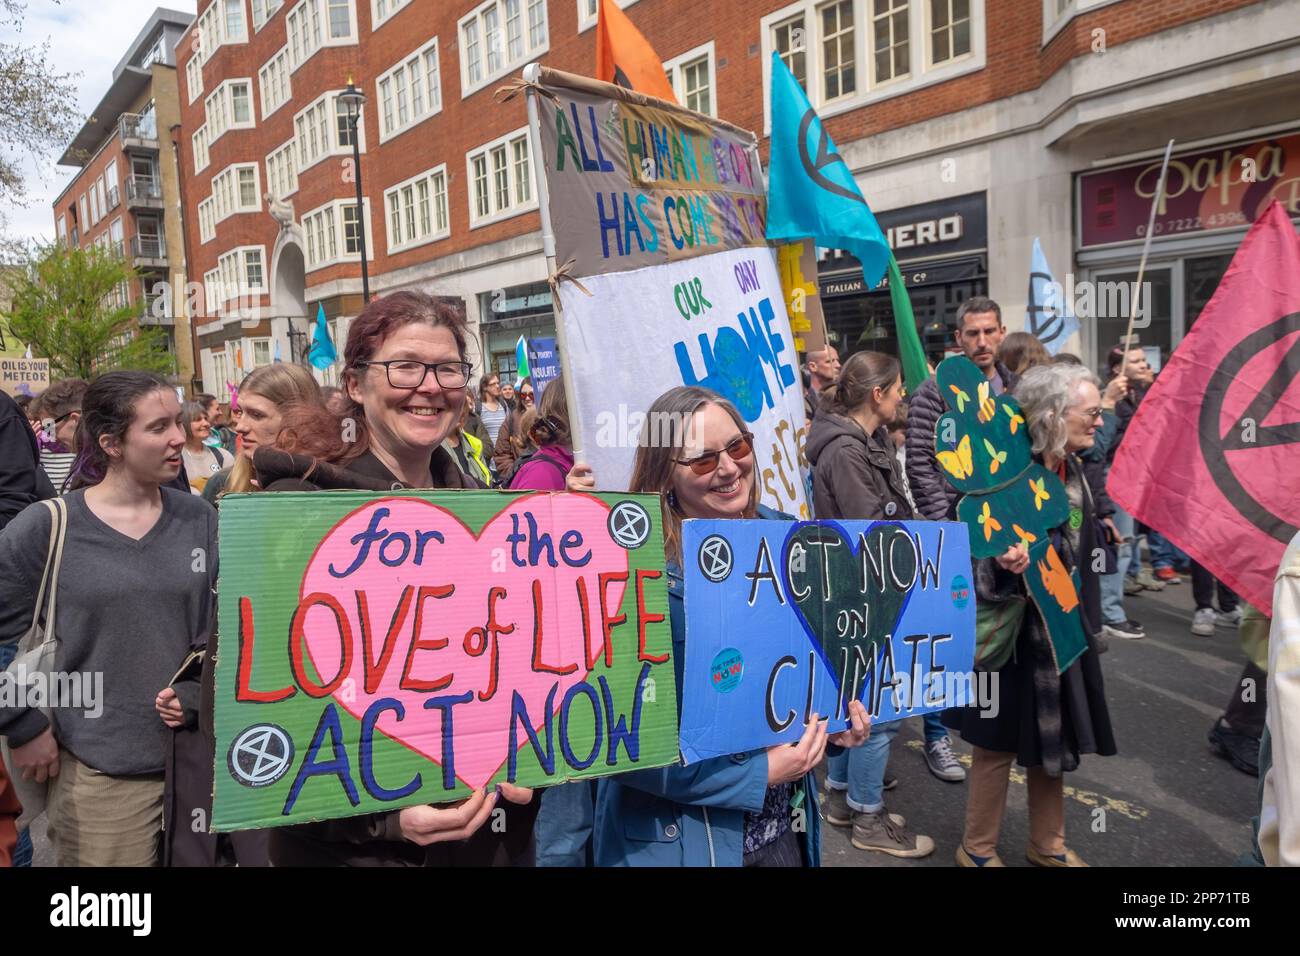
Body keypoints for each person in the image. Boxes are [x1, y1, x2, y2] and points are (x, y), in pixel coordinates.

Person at [245, 290, 537, 866]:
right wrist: (379, 821)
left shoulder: (491, 515)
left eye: (448, 368)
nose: (429, 386)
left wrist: (534, 757)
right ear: (355, 384)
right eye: (404, 366)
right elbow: (253, 716)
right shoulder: (293, 514)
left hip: (485, 843)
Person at [569, 386, 870, 866]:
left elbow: (798, 685)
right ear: (664, 473)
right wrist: (757, 774)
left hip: (784, 834)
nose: (729, 468)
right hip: (679, 845)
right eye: (704, 460)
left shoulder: (788, 538)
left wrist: (829, 729)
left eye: (738, 447)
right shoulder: (632, 573)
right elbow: (620, 745)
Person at [0, 372, 217, 865]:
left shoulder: (200, 518)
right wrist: (21, 723)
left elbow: (220, 631)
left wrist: (193, 691)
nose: (179, 437)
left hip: (198, 764)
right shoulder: (49, 526)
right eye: (158, 427)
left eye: (178, 423)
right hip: (99, 777)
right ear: (111, 443)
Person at [946, 363, 1116, 867]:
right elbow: (972, 564)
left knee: (1054, 740)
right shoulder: (1002, 474)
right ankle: (975, 850)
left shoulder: (1071, 466)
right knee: (994, 745)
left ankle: (1049, 846)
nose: (1100, 422)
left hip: (1059, 632)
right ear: (1054, 416)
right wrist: (1000, 564)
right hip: (1013, 640)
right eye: (1092, 413)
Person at [807, 351, 939, 857]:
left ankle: (841, 799)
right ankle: (868, 817)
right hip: (863, 590)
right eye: (899, 387)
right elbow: (873, 531)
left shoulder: (867, 438)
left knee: (856, 703)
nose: (904, 395)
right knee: (879, 711)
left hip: (865, 590)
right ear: (878, 394)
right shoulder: (845, 450)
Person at [906, 297, 1018, 523]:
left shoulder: (1017, 390)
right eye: (973, 333)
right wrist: (946, 525)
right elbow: (920, 466)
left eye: (989, 331)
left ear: (1002, 333)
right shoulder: (934, 392)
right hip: (961, 520)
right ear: (959, 337)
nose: (982, 342)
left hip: (1011, 520)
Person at [202, 364, 322, 504]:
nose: (240, 426)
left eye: (257, 415)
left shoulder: (335, 487)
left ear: (299, 419)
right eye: (240, 412)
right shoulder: (222, 484)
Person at [33, 378, 87, 493]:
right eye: (46, 429)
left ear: (75, 420)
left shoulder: (100, 464)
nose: (53, 437)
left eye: (53, 428)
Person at [180, 401, 232, 494]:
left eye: (206, 418)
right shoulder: (176, 459)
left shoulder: (223, 456)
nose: (206, 424)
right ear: (184, 424)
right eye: (198, 419)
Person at [492, 378, 536, 483]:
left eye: (531, 394)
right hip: (520, 480)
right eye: (523, 395)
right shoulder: (512, 419)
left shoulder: (549, 417)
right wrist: (514, 474)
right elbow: (501, 454)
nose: (527, 398)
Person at [442, 400, 492, 486]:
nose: (460, 412)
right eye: (453, 408)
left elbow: (487, 478)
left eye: (462, 407)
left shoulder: (474, 443)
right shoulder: (431, 447)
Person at [803, 345, 841, 423]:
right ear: (813, 366)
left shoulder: (843, 393)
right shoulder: (803, 401)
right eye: (829, 361)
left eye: (837, 360)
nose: (838, 365)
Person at [477, 372, 509, 448]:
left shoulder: (503, 404)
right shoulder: (478, 407)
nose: (497, 386)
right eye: (493, 384)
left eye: (498, 383)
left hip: (503, 454)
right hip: (487, 455)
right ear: (485, 387)